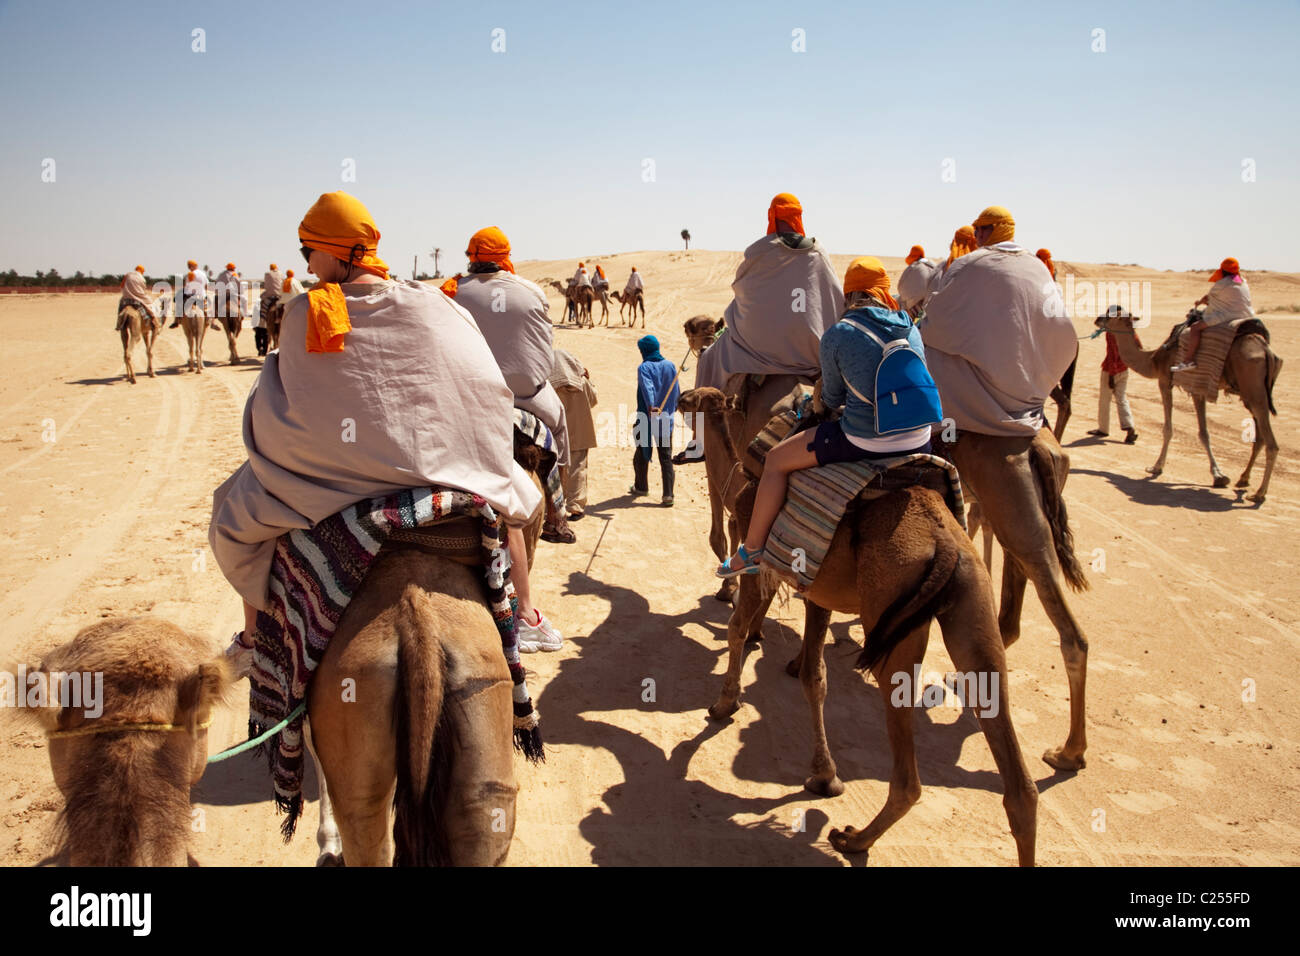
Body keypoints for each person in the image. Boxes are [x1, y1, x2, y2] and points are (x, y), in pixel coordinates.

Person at [209, 191, 562, 671]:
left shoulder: (306, 312)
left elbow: (272, 409)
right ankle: (524, 615)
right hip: (441, 469)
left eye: (308, 251)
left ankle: (254, 640)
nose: (309, 266)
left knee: (230, 514)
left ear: (334, 252)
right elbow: (482, 384)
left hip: (328, 485)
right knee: (510, 501)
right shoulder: (436, 301)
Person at [718, 257, 940, 576]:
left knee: (776, 461)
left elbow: (832, 399)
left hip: (867, 441)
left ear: (848, 295)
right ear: (882, 292)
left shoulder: (839, 333)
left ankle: (751, 551)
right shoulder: (909, 325)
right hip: (921, 437)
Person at [680, 192, 844, 465]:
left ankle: (699, 442)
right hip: (811, 353)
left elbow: (743, 291)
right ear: (798, 217)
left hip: (758, 351)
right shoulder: (819, 253)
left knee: (708, 358)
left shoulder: (760, 251)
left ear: (772, 217)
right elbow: (833, 299)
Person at [443, 226, 575, 545]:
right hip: (528, 397)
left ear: (472, 258)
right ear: (505, 258)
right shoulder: (532, 291)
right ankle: (558, 516)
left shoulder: (453, 292)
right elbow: (544, 352)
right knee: (558, 426)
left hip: (469, 397)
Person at [920, 205, 1076, 436]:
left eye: (980, 230)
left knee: (927, 347)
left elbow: (937, 321)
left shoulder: (970, 263)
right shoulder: (1037, 266)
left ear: (989, 231)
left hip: (984, 390)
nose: (977, 236)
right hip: (1030, 388)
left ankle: (935, 434)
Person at [1170, 258, 1256, 372]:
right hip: (1248, 315)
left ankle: (1188, 360)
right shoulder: (1243, 282)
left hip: (1228, 315)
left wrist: (1199, 302)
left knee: (1195, 328)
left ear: (1223, 271)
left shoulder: (1221, 284)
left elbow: (1209, 299)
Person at [550, 348, 598, 520]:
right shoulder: (581, 382)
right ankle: (576, 506)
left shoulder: (549, 385)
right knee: (578, 467)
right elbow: (593, 400)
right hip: (581, 429)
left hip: (557, 432)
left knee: (558, 467)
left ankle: (557, 504)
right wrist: (587, 379)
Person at [630, 335, 679, 506]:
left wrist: (651, 406)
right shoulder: (670, 365)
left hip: (646, 416)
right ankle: (668, 495)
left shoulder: (644, 367)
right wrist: (672, 409)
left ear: (644, 351)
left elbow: (647, 386)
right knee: (666, 457)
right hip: (666, 418)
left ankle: (641, 487)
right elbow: (676, 391)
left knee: (641, 453)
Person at [1087, 306, 1139, 444]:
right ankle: (1129, 427)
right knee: (1122, 399)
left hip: (1111, 369)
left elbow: (1113, 354)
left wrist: (1111, 374)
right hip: (1124, 369)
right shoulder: (1129, 331)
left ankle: (1103, 429)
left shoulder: (1112, 333)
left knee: (1105, 400)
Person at [897, 244, 937, 317]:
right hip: (935, 304)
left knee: (899, 302)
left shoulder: (914, 267)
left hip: (919, 308)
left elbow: (902, 288)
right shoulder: (935, 266)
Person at [116, 265, 160, 331]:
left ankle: (118, 323)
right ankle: (153, 320)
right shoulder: (142, 278)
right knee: (150, 304)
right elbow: (143, 289)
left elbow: (122, 286)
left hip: (126, 298)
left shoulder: (128, 275)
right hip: (138, 298)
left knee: (121, 305)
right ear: (142, 271)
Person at [256, 263, 283, 356]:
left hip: (269, 296)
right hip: (279, 296)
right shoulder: (280, 274)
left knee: (261, 304)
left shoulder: (267, 274)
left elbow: (266, 286)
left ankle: (262, 319)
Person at [173, 258, 207, 328]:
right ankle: (210, 321)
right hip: (201, 295)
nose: (189, 267)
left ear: (192, 266)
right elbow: (206, 285)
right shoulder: (203, 274)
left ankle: (176, 320)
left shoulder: (190, 274)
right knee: (209, 306)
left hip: (190, 295)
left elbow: (186, 285)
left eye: (189, 266)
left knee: (179, 300)